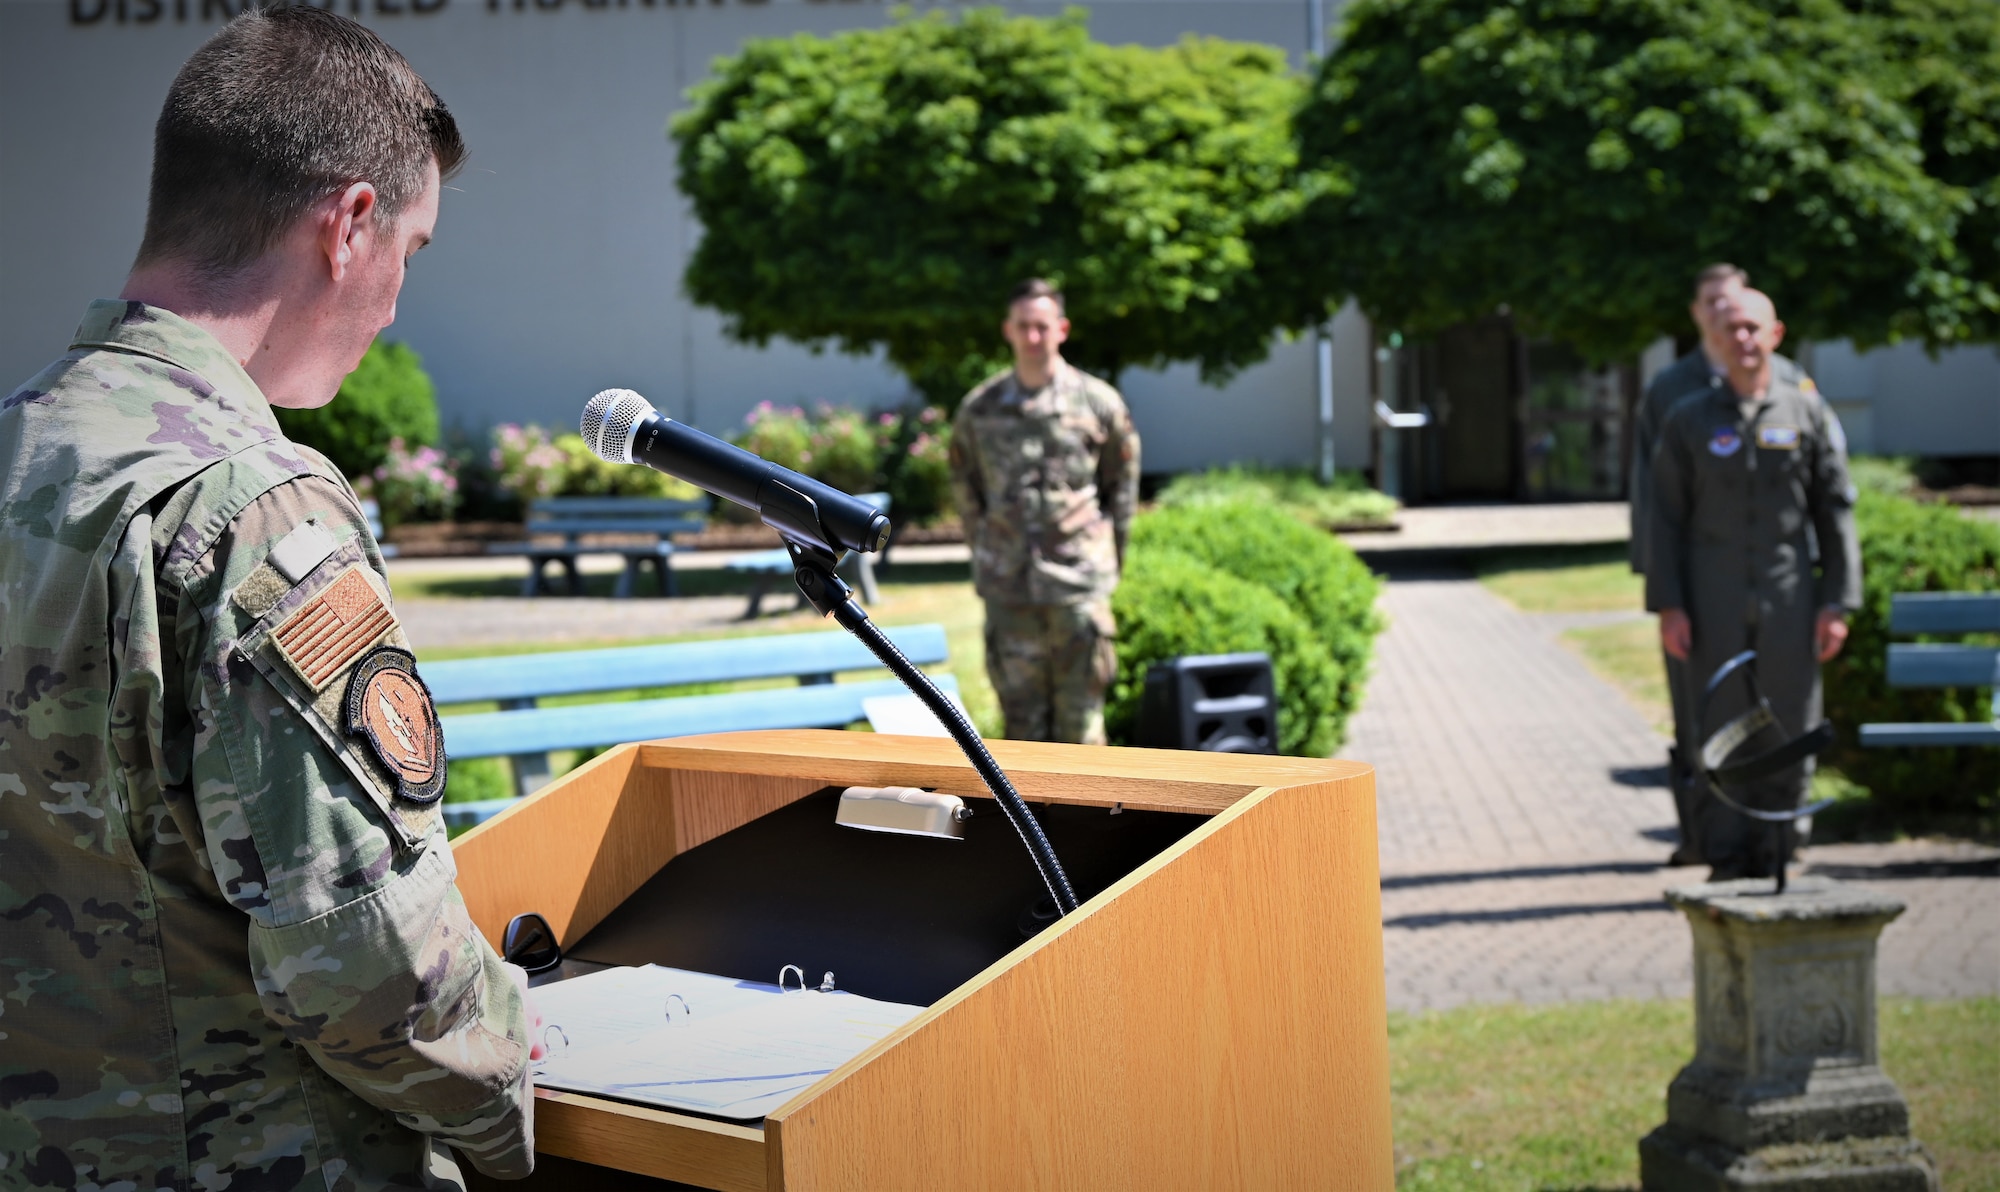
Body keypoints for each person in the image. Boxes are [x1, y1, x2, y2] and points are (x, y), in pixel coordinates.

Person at [0, 9, 538, 1188]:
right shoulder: (251, 501)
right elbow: (361, 960)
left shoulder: (21, 448)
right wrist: (516, 1108)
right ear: (349, 225)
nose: (397, 301)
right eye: (413, 248)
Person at [1645, 289, 1860, 881]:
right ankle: (1726, 852)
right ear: (1713, 339)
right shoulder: (1689, 418)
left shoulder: (1805, 413)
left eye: (1752, 328)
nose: (1742, 339)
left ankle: (1782, 848)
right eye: (1730, 329)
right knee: (1720, 726)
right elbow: (1663, 518)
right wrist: (1669, 605)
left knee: (1789, 721)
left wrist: (1837, 601)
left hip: (1789, 596)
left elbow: (1835, 511)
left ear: (1776, 335)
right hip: (1710, 597)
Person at [949, 279, 1140, 744]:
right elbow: (966, 490)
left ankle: (1089, 819)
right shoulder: (980, 409)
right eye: (1023, 327)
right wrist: (992, 552)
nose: (1033, 337)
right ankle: (1026, 820)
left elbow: (1122, 488)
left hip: (1077, 589)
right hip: (1009, 592)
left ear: (1062, 329)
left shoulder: (1099, 403)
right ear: (1007, 331)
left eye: (1042, 326)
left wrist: (1105, 559)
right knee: (1021, 732)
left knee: (1083, 727)